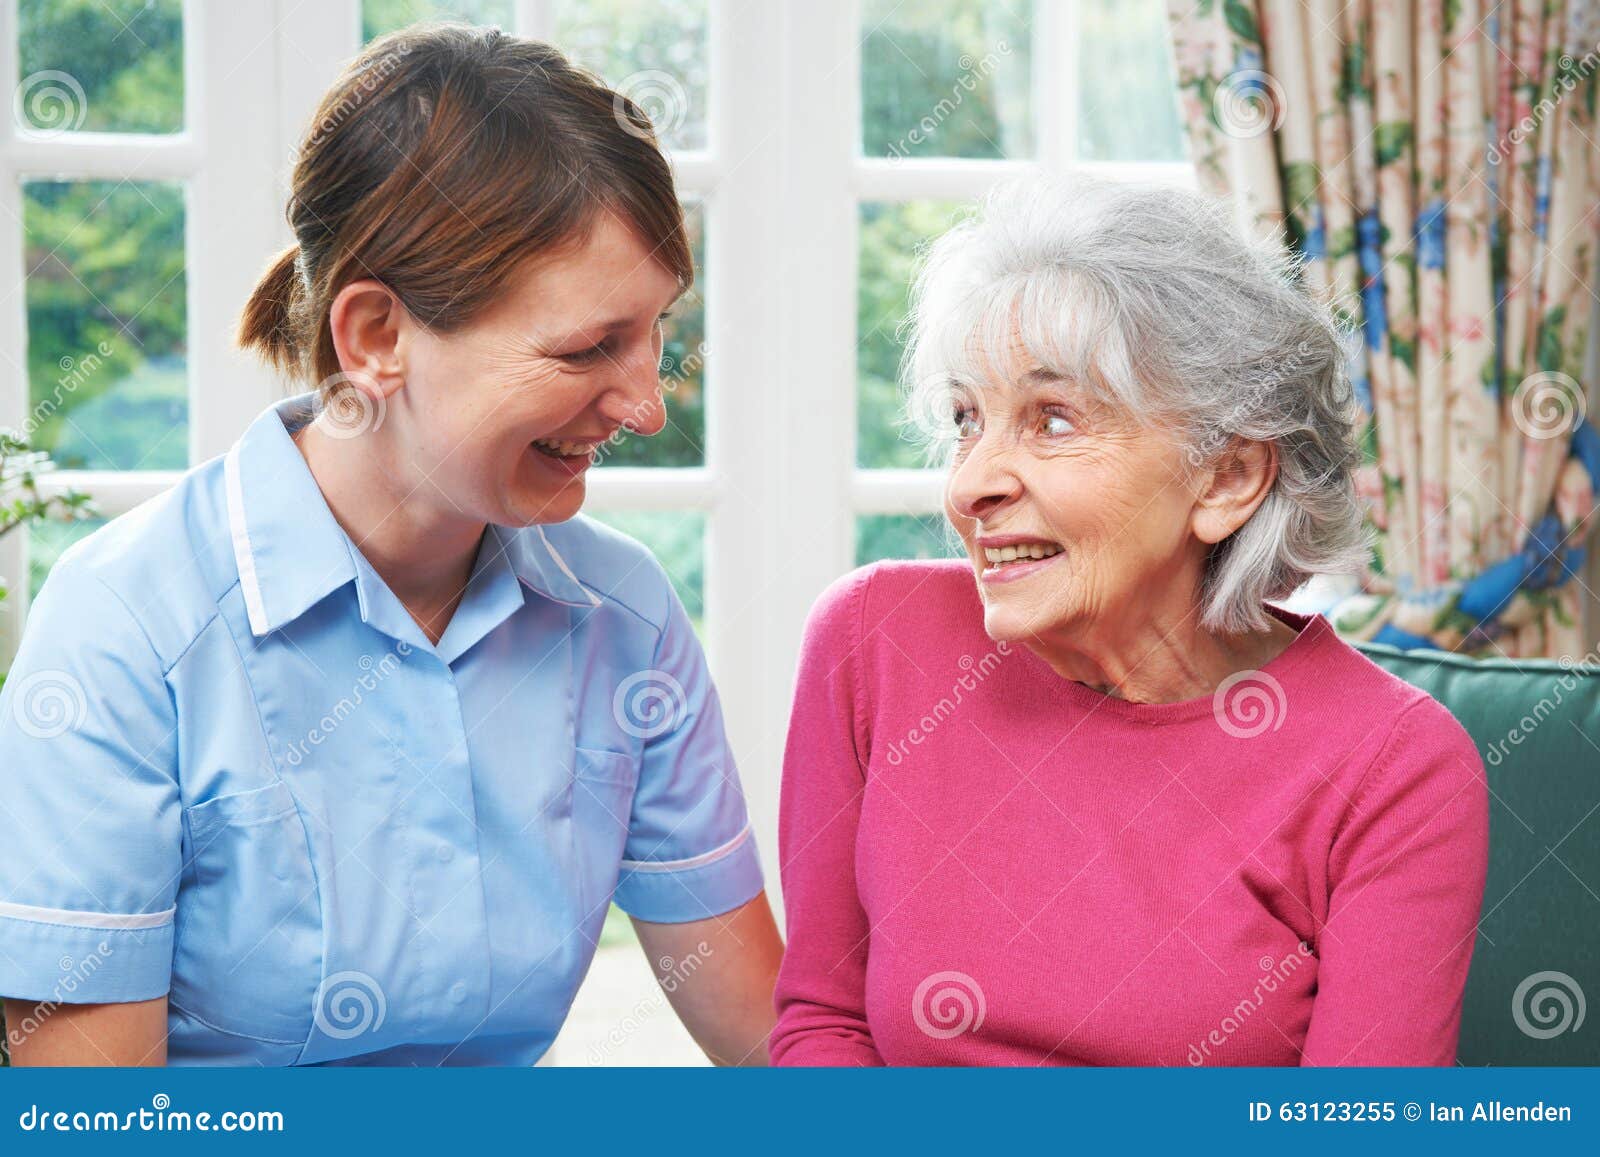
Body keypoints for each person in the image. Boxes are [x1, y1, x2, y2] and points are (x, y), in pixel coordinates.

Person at [0, 24, 781, 1066]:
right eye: (589, 346)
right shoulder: (130, 626)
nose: (647, 404)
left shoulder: (622, 617)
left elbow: (773, 1042)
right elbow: (93, 1122)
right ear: (375, 336)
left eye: (656, 334)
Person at [771, 175, 1489, 1066]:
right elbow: (822, 1025)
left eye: (1054, 418)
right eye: (967, 418)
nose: (968, 486)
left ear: (1226, 478)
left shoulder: (1394, 765)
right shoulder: (874, 640)